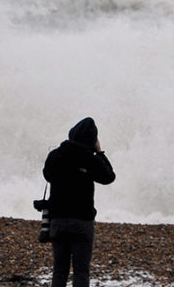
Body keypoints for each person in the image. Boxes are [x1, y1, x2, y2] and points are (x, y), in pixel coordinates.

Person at [42, 117, 115, 287]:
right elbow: (109, 177)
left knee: (59, 271)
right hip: (82, 222)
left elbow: (47, 175)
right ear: (92, 139)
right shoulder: (89, 158)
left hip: (58, 221)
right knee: (81, 272)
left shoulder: (55, 155)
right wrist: (99, 152)